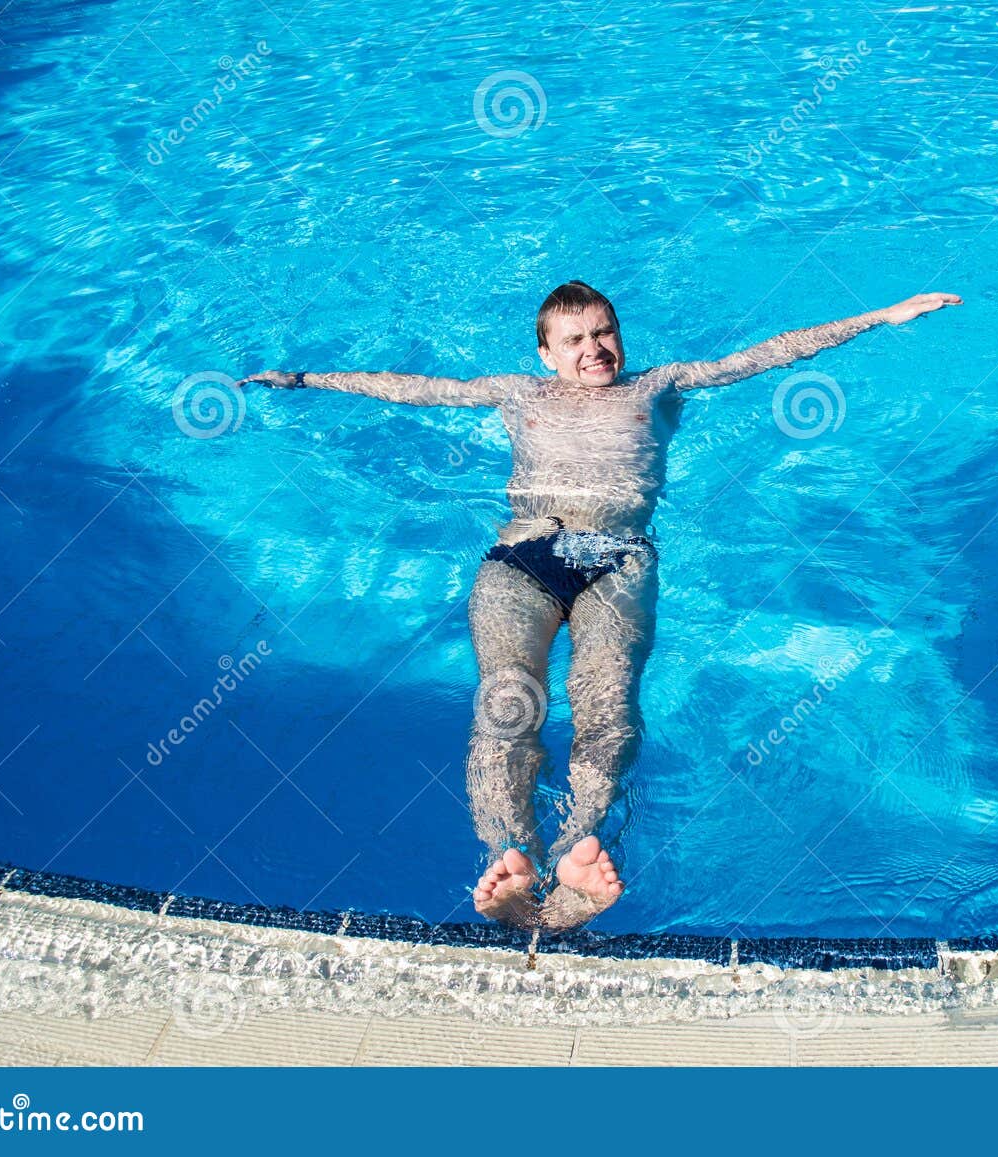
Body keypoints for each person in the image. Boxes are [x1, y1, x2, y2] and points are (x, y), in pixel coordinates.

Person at [240, 281, 961, 929]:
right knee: (506, 699)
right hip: (522, 557)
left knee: (607, 701)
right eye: (576, 340)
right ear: (546, 353)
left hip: (618, 559)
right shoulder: (516, 391)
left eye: (605, 331)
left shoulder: (660, 384)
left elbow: (766, 355)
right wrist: (306, 378)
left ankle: (580, 846)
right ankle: (509, 856)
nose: (596, 349)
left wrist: (884, 316)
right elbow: (414, 388)